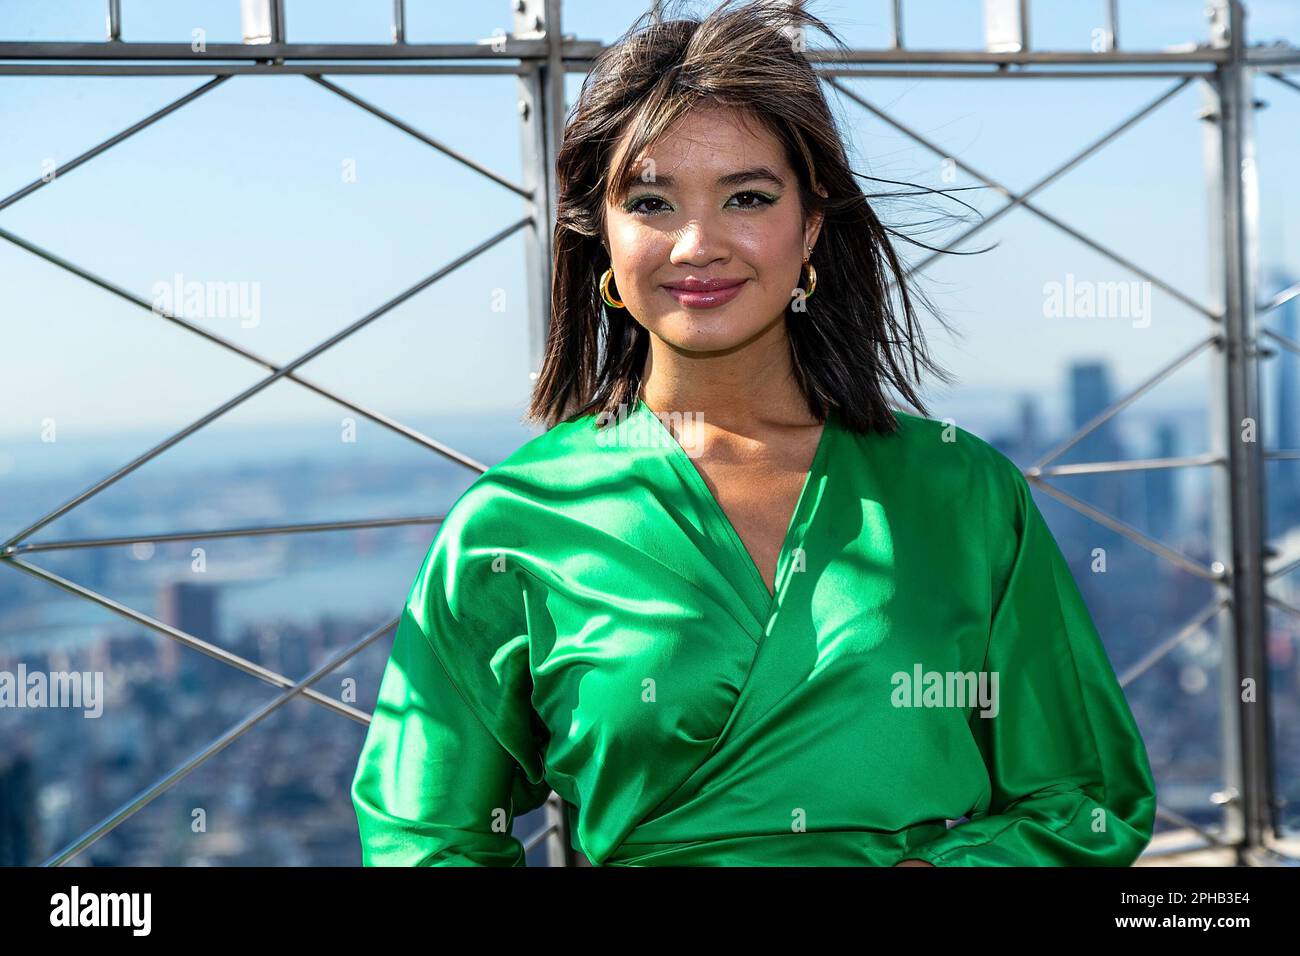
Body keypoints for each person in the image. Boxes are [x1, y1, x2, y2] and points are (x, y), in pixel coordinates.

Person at [350, 0, 1157, 867]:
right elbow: (421, 835)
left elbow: (1088, 799)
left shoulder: (964, 491)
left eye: (747, 197)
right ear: (604, 239)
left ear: (811, 224)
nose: (697, 244)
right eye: (651, 201)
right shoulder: (515, 520)